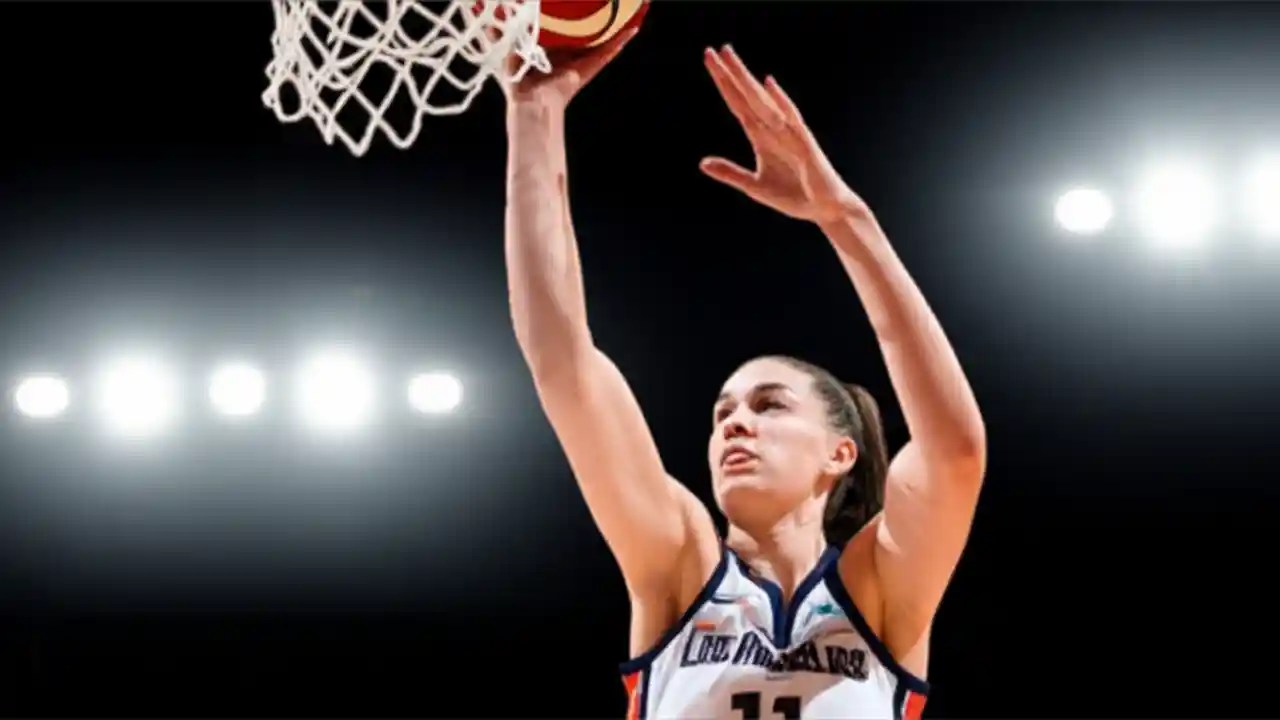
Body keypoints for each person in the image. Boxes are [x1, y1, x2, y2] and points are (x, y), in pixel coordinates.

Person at [501, 30, 986, 720]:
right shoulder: (680, 563)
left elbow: (955, 450)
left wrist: (845, 219)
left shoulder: (879, 588)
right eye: (722, 410)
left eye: (770, 404)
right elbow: (561, 360)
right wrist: (535, 111)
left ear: (840, 453)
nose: (734, 420)